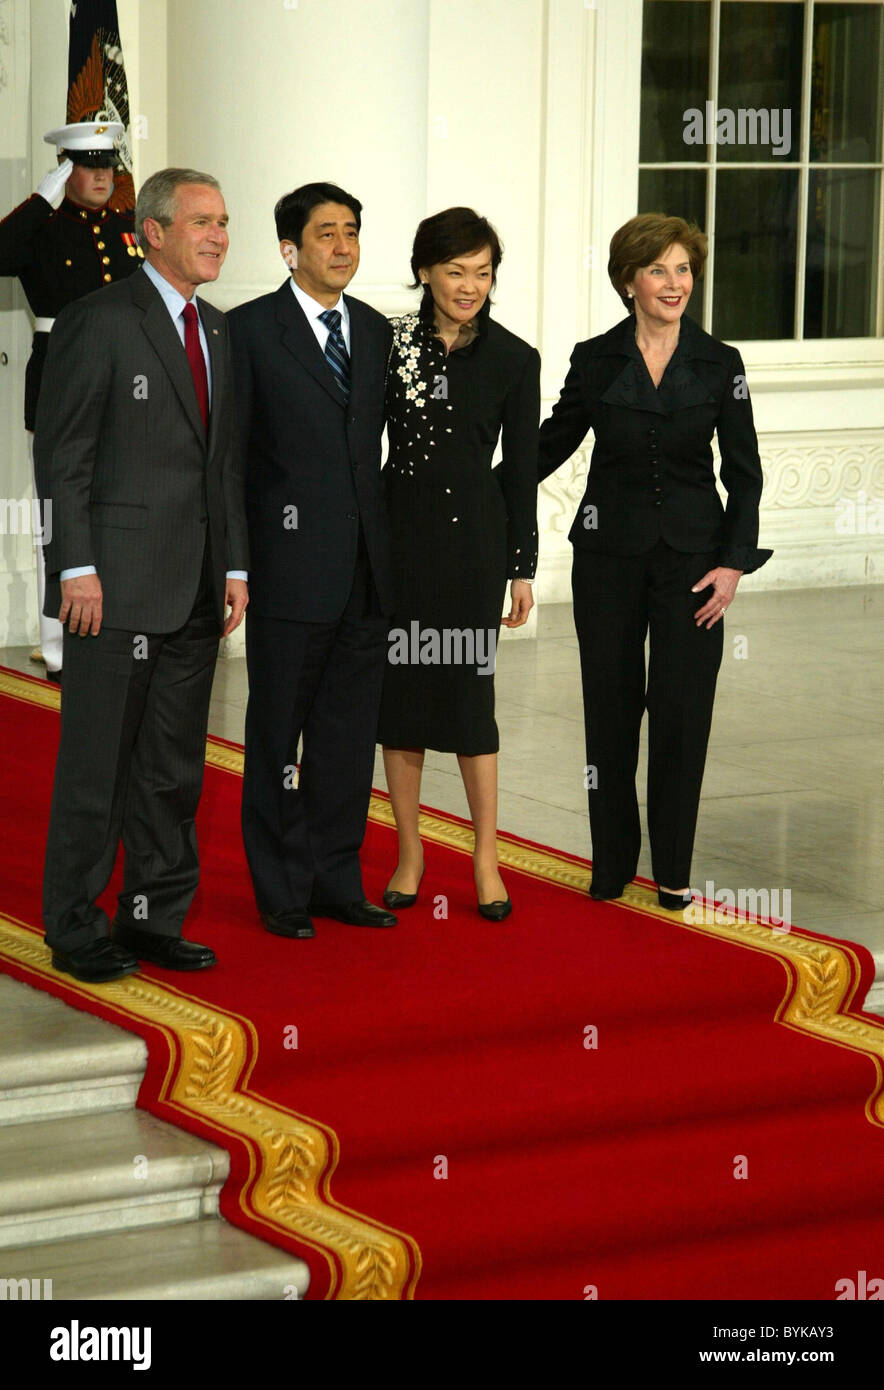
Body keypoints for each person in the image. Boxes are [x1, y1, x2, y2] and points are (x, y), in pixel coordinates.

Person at [34, 167, 249, 983]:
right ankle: (75, 923)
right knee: (97, 766)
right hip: (112, 589)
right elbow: (64, 455)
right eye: (201, 221)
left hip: (196, 589)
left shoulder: (219, 331)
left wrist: (233, 564)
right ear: (152, 232)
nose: (218, 235)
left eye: (223, 221)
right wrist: (75, 568)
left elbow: (219, 462)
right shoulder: (100, 321)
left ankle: (152, 916)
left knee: (171, 769)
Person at [538, 213, 772, 910]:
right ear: (628, 281)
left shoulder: (720, 363)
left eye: (683, 269)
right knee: (608, 713)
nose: (675, 283)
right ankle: (611, 865)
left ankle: (673, 869)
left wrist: (732, 564)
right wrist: (473, 493)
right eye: (659, 270)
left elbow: (746, 474)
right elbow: (548, 445)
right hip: (607, 561)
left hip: (695, 565)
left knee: (681, 712)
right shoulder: (595, 359)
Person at [228, 182, 396, 940]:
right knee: (277, 739)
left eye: (352, 231)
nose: (343, 246)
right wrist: (236, 565)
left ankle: (337, 880)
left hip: (364, 576)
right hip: (288, 572)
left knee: (345, 740)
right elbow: (228, 463)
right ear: (290, 248)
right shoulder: (249, 332)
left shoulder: (374, 331)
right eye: (326, 233)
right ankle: (282, 893)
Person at [378, 208, 539, 922]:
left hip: (475, 549)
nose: (470, 286)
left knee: (473, 704)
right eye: (455, 271)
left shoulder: (514, 359)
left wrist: (521, 565)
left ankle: (485, 857)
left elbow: (525, 470)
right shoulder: (388, 347)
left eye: (483, 272)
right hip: (400, 547)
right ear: (424, 272)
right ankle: (409, 852)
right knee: (402, 703)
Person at [0, 121, 142, 682]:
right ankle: (59, 644)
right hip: (62, 374)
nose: (103, 175)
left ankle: (119, 625)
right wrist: (41, 199)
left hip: (128, 380)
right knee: (59, 515)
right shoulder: (42, 228)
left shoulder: (129, 228)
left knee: (123, 506)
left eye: (109, 164)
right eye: (88, 166)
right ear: (66, 169)